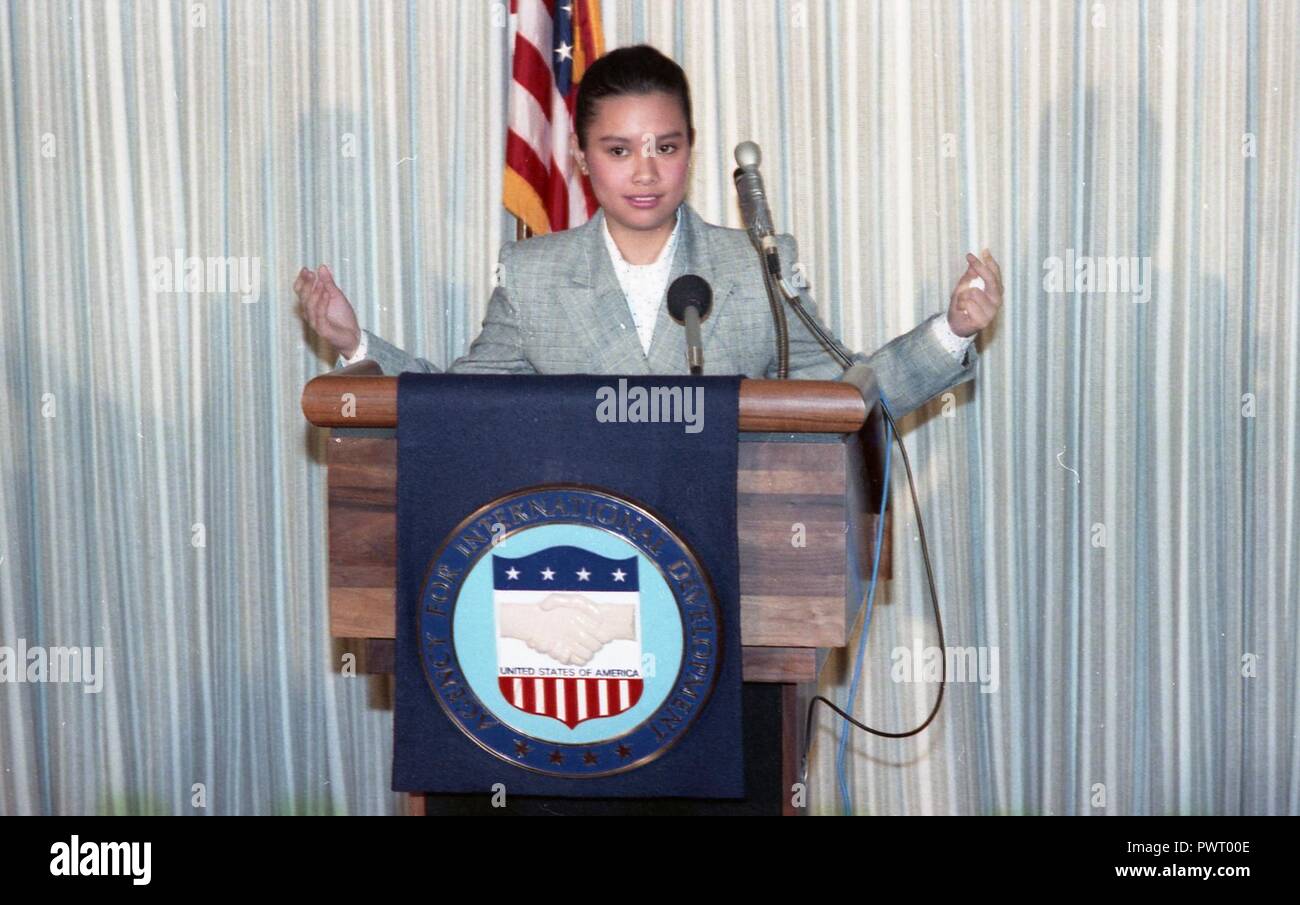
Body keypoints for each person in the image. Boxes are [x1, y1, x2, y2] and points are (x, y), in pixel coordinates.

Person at [296, 44, 1003, 421]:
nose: (644, 172)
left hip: (735, 576)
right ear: (580, 159)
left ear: (691, 149)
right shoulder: (533, 275)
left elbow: (849, 397)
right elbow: (457, 407)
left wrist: (951, 330)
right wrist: (355, 345)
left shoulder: (754, 263)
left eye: (665, 147)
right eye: (619, 149)